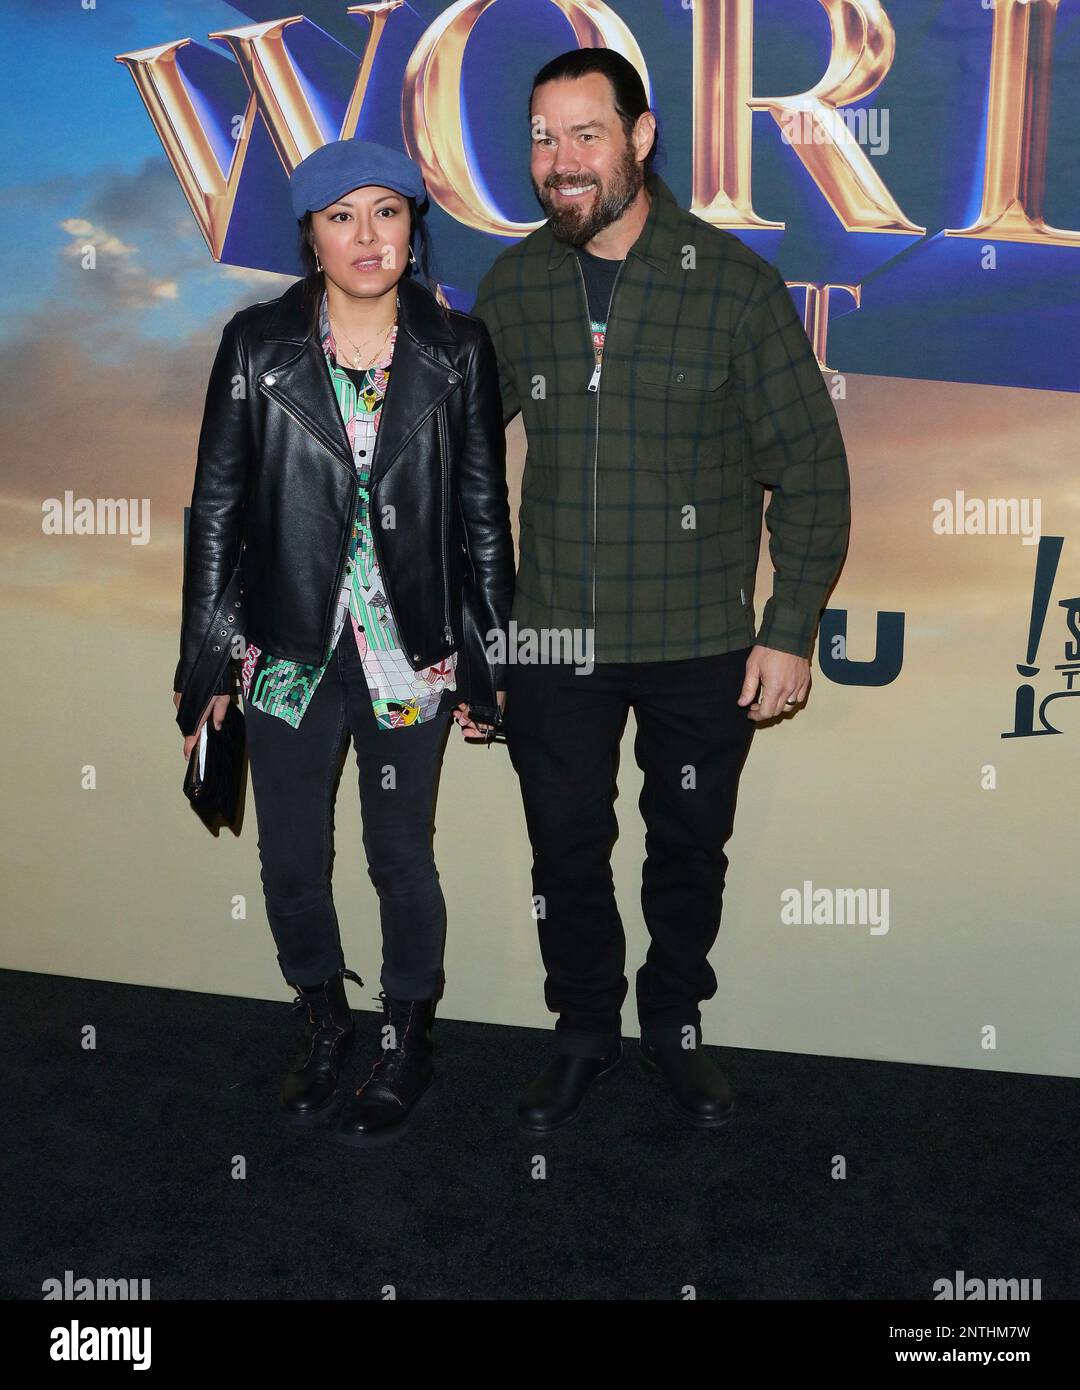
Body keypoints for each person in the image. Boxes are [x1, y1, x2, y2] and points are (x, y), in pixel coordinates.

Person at [472, 50, 851, 1133]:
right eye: (543, 137)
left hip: (695, 641)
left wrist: (788, 629)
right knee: (566, 849)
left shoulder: (734, 283)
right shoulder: (515, 285)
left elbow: (812, 470)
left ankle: (674, 1027)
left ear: (641, 139)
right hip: (552, 643)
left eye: (586, 134)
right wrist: (475, 623)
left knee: (688, 850)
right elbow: (457, 462)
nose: (562, 161)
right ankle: (583, 1029)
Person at [173, 139, 514, 1146]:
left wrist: (495, 658)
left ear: (414, 225)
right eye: (342, 217)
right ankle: (323, 1021)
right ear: (310, 235)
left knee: (400, 856)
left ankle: (407, 1037)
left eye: (388, 213)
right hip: (288, 648)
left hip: (412, 648)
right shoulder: (255, 345)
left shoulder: (459, 349)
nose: (368, 237)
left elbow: (485, 513)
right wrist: (206, 669)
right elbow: (218, 512)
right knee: (289, 861)